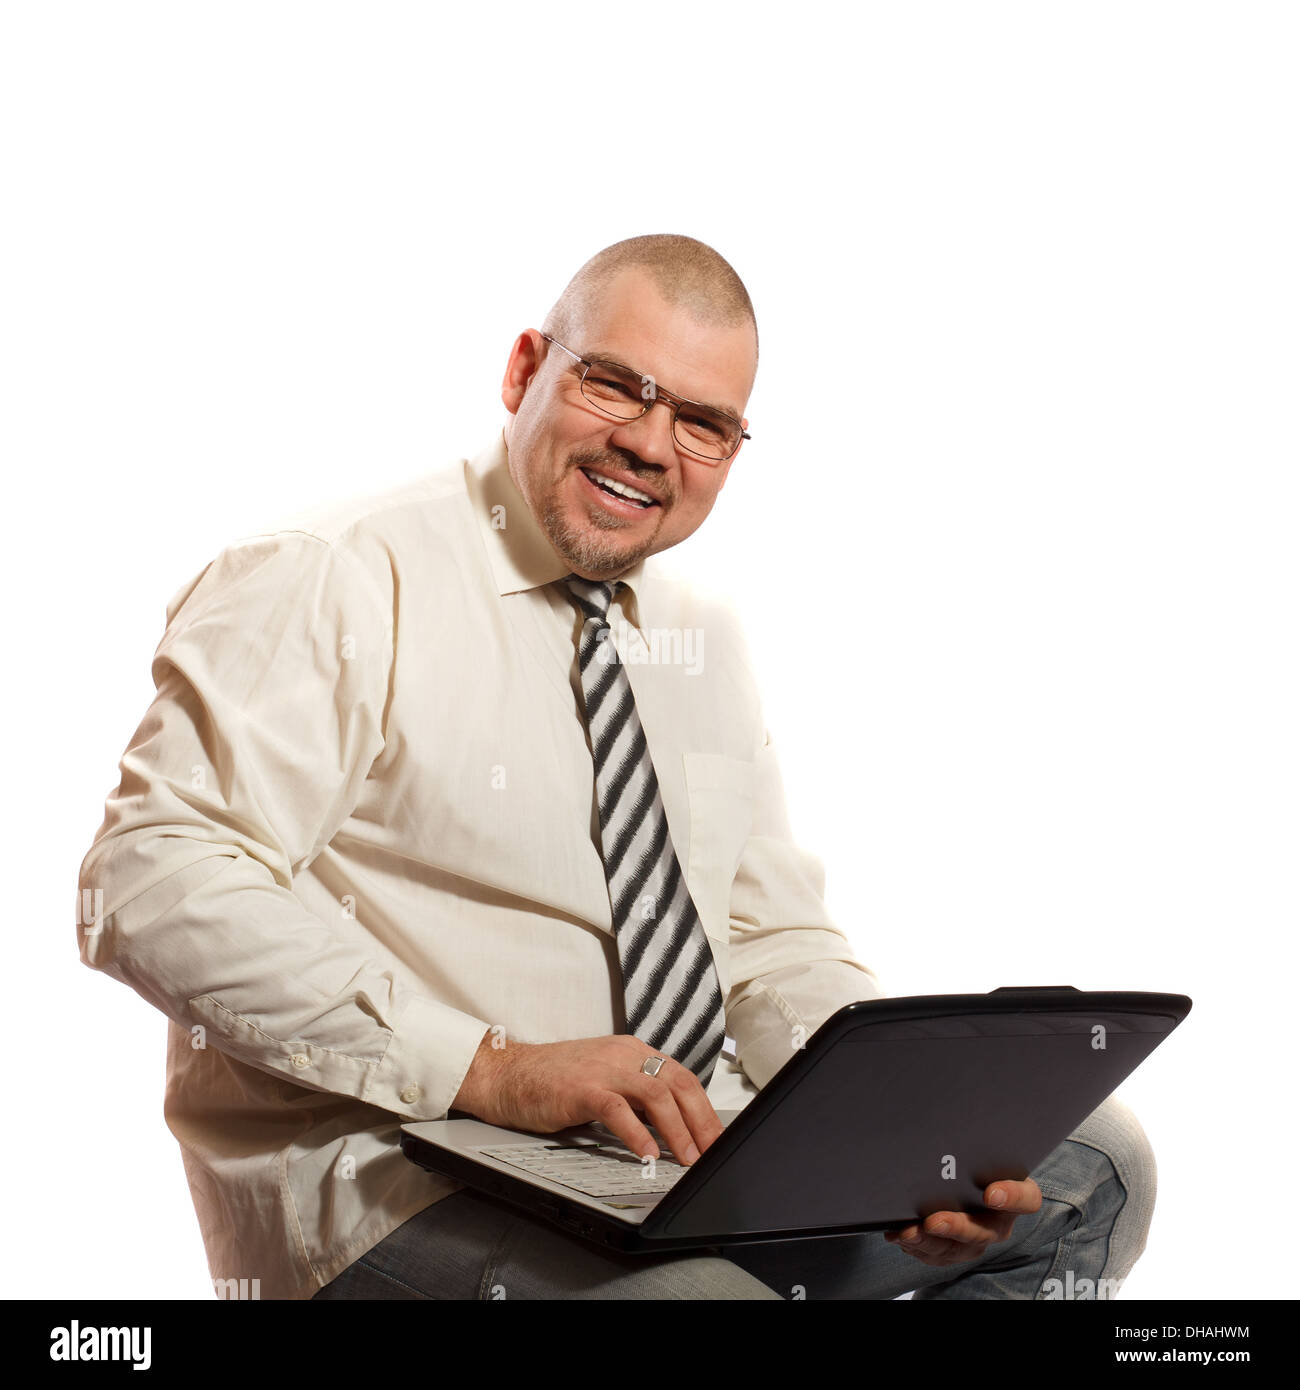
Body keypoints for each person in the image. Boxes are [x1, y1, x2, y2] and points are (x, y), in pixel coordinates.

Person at [76, 233, 1155, 1300]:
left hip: (660, 1154)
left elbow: (763, 938)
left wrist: (893, 1122)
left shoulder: (700, 640)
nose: (650, 443)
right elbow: (150, 879)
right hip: (406, 1168)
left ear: (733, 453)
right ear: (522, 370)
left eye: (701, 423)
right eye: (616, 386)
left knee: (1093, 1163)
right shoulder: (334, 579)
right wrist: (493, 1066)